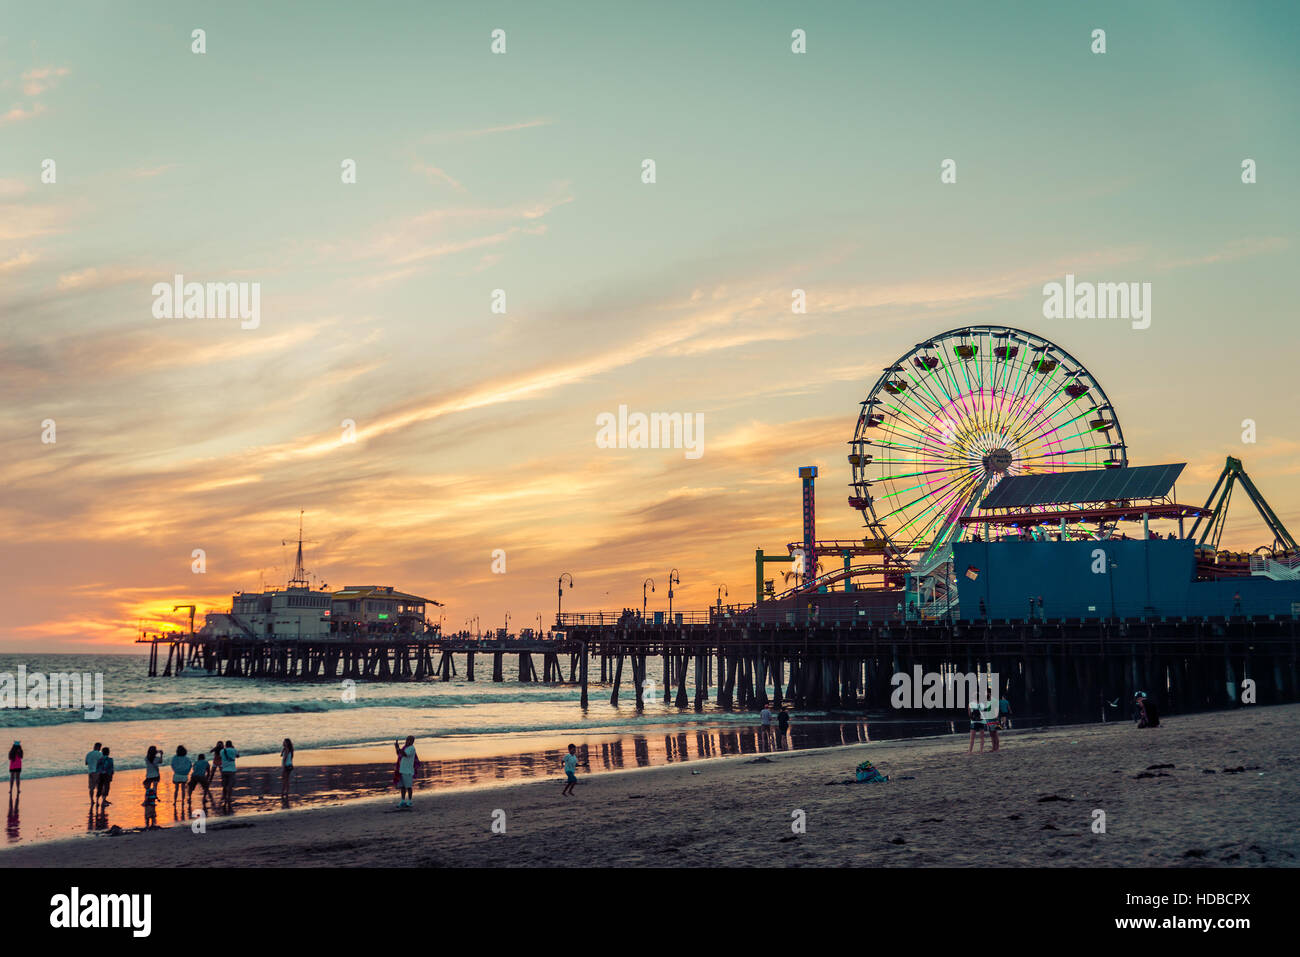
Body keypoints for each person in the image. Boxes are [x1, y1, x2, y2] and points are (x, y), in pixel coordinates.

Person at [394, 735, 417, 808]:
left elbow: (404, 754)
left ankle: (409, 801)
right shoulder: (405, 747)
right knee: (402, 787)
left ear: (412, 741)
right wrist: (396, 747)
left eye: (408, 740)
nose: (406, 741)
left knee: (409, 787)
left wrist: (399, 748)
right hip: (402, 770)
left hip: (408, 771)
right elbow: (399, 753)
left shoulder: (411, 748)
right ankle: (403, 801)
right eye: (406, 740)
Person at [219, 740, 238, 810]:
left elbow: (221, 757)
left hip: (224, 770)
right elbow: (238, 756)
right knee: (230, 785)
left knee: (224, 785)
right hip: (232, 770)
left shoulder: (222, 751)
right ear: (231, 744)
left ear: (225, 745)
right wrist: (233, 749)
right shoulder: (234, 750)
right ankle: (228, 798)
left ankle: (224, 797)